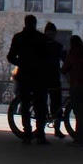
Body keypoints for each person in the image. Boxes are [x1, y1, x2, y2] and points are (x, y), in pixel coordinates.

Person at [6, 14, 51, 145]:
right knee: (40, 105)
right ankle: (40, 135)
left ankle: (27, 134)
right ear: (35, 24)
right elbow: (46, 57)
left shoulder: (18, 37)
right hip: (38, 75)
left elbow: (10, 57)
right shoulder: (41, 38)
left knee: (25, 105)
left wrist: (22, 62)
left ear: (25, 23)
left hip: (24, 75)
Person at [42, 22, 66, 137]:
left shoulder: (40, 45)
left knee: (46, 104)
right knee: (55, 104)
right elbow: (65, 59)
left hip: (44, 78)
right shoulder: (58, 47)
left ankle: (42, 129)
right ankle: (57, 129)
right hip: (53, 78)